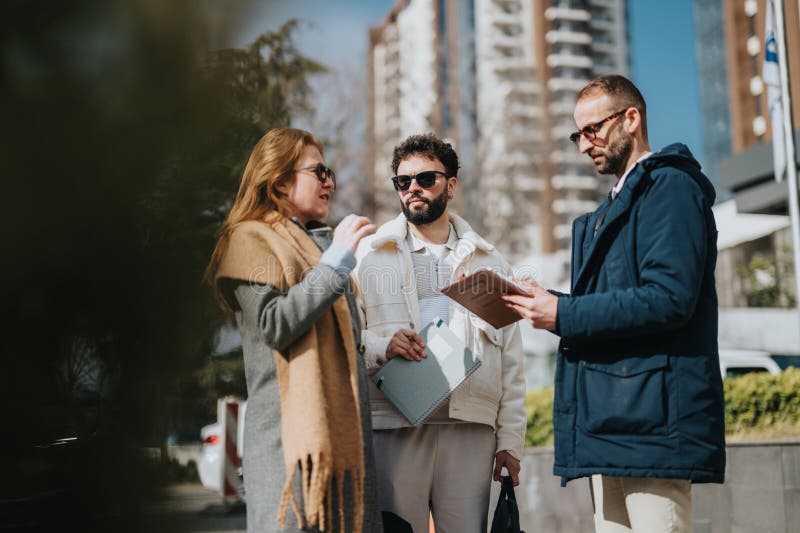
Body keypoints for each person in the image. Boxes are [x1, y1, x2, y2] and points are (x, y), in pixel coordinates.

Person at [503, 75, 725, 533]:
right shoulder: (612, 206)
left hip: (654, 428)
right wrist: (546, 304)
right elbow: (610, 306)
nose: (584, 146)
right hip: (613, 423)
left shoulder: (670, 188)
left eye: (592, 130)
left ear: (631, 119)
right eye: (577, 134)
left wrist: (563, 314)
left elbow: (670, 299)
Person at [205, 127, 382, 533]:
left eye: (330, 172)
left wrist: (384, 347)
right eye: (319, 172)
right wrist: (335, 262)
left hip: (343, 450)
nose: (330, 182)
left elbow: (343, 346)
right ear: (281, 180)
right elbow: (274, 324)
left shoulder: (318, 248)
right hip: (290, 449)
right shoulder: (247, 239)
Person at [354, 133, 526, 533]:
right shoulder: (368, 255)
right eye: (403, 181)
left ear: (450, 184)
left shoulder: (491, 261)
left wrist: (510, 443)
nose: (413, 187)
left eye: (425, 178)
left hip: (469, 430)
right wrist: (383, 346)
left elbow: (511, 361)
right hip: (394, 425)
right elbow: (345, 339)